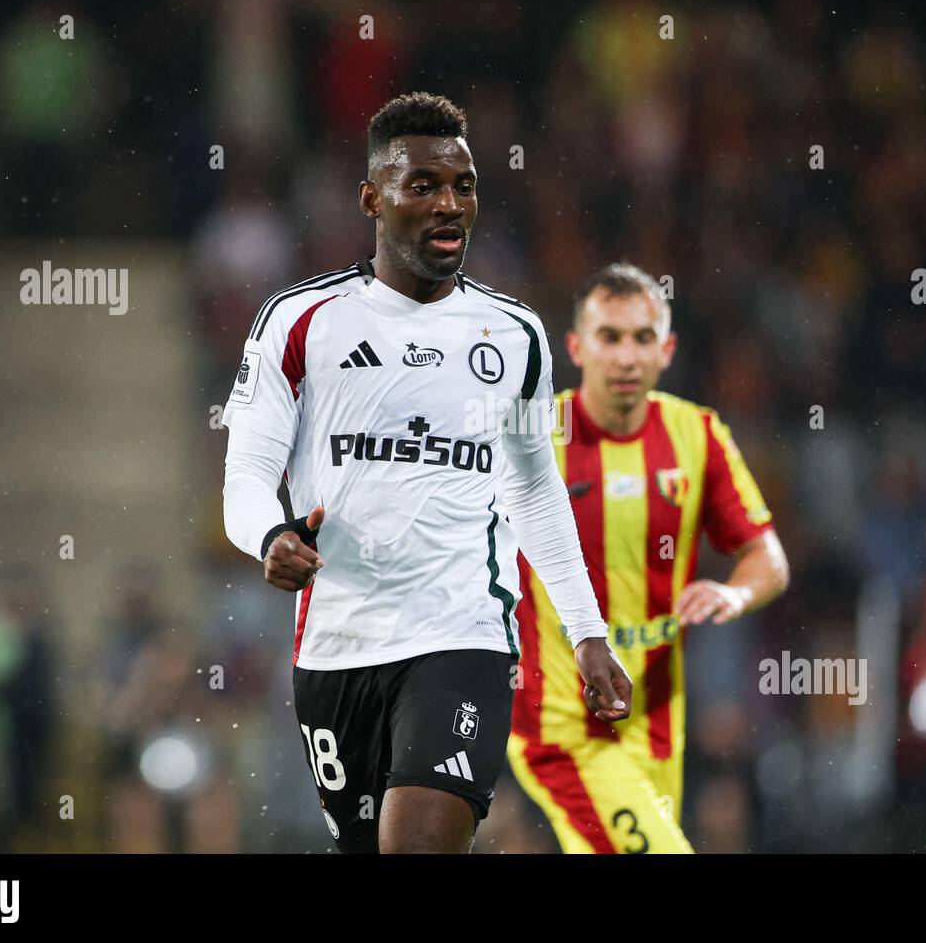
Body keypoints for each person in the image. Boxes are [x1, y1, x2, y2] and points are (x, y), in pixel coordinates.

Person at [220, 92, 631, 853]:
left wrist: (586, 632)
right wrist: (267, 535)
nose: (449, 205)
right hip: (335, 650)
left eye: (463, 187)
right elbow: (246, 473)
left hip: (462, 637)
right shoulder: (299, 321)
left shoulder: (516, 336)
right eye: (423, 187)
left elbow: (534, 488)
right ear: (372, 199)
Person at [508, 262, 789, 853]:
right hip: (562, 729)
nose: (627, 357)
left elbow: (769, 558)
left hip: (658, 726)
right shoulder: (532, 436)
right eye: (609, 337)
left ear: (667, 348)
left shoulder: (699, 435)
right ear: (578, 347)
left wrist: (734, 592)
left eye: (642, 338)